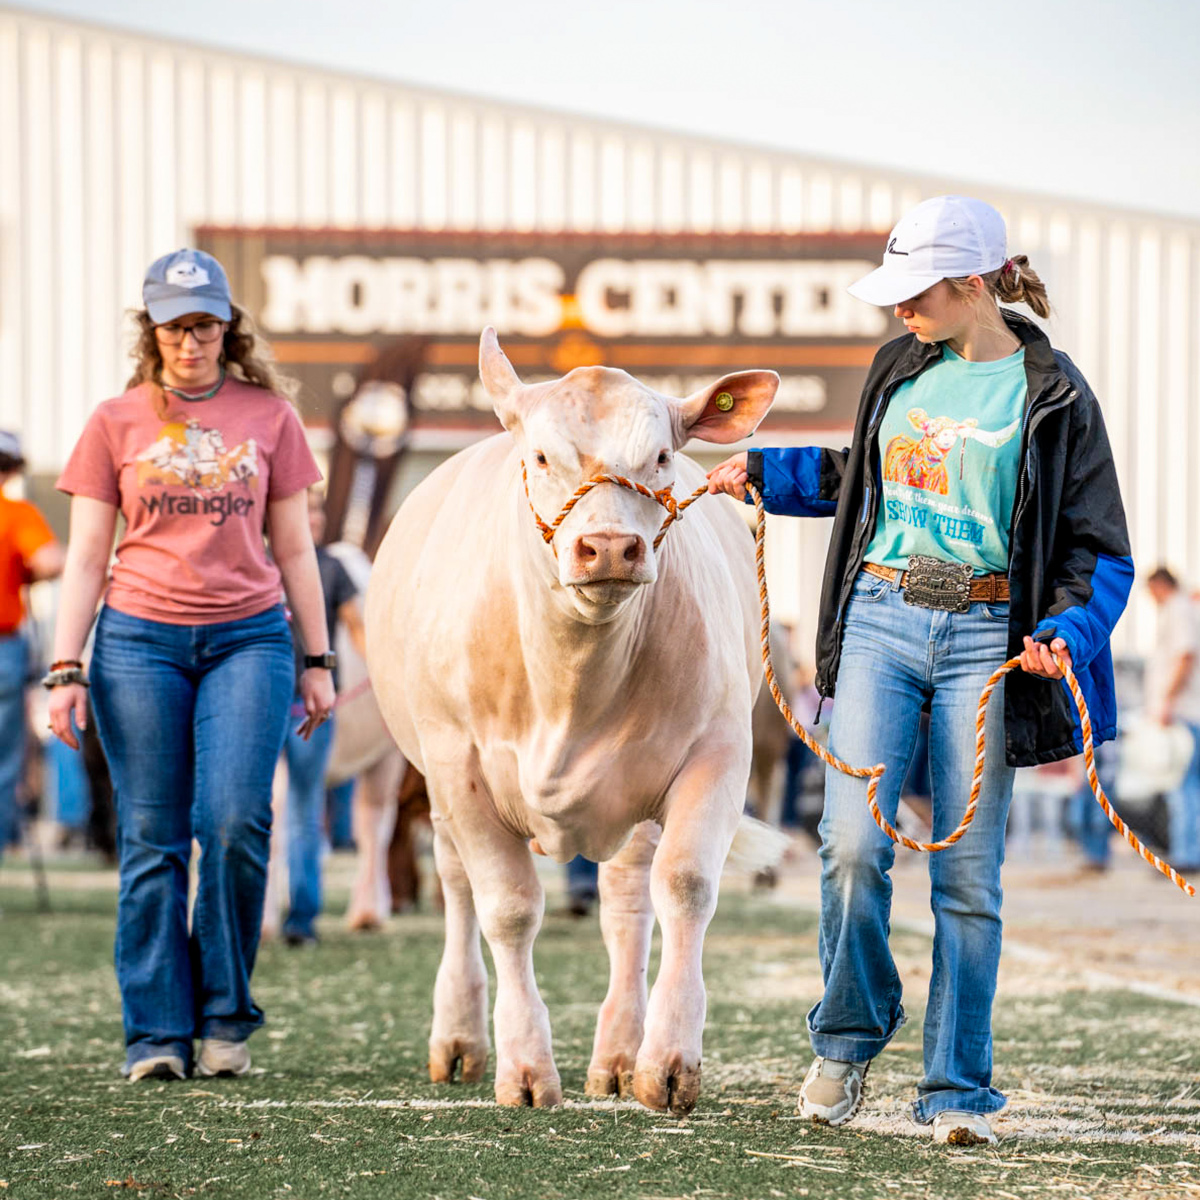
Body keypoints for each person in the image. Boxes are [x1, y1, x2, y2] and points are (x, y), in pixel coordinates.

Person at [708, 196, 1133, 1146]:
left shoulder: (1055, 395)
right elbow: (868, 480)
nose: (898, 310)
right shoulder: (900, 366)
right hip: (880, 623)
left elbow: (1102, 554)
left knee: (968, 879)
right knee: (852, 845)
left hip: (989, 640)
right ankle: (848, 1039)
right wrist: (767, 474)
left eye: (915, 293)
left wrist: (1068, 628)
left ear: (973, 285)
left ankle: (957, 1092)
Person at [47, 248, 335, 1083]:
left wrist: (317, 660)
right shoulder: (115, 422)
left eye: (205, 323)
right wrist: (66, 668)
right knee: (152, 838)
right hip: (137, 642)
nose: (191, 340)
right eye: (175, 326)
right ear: (154, 331)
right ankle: (155, 1034)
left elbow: (295, 549)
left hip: (250, 638)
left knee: (237, 822)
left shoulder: (270, 417)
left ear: (226, 328)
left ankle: (224, 1016)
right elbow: (87, 554)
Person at [281, 489, 366, 946]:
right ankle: (248, 916)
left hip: (308, 709)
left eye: (316, 510)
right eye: (303, 510)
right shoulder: (258, 563)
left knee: (303, 813)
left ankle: (301, 919)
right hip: (261, 702)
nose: (312, 518)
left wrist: (384, 672)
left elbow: (357, 627)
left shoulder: (331, 568)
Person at [0, 430, 64, 857]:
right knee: (4, 754)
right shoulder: (16, 514)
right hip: (4, 642)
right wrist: (24, 574)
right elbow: (51, 560)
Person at [1145, 567, 1200, 871]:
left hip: (1186, 712)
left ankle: (1187, 854)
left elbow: (1185, 655)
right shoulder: (1186, 607)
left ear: (1158, 586)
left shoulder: (1178, 608)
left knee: (1184, 786)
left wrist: (1167, 700)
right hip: (1190, 712)